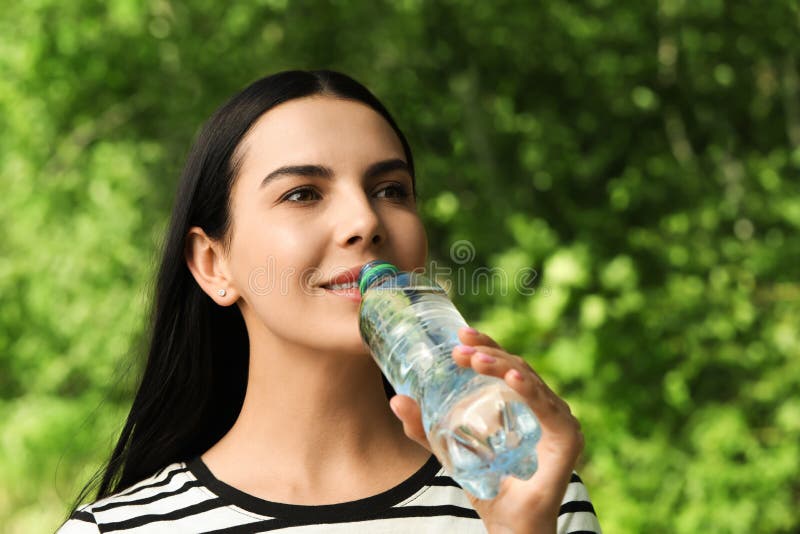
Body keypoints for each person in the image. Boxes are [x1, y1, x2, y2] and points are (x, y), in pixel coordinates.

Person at [58, 70, 601, 533]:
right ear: (212, 264)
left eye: (392, 190)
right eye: (302, 193)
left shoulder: (536, 496)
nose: (365, 221)